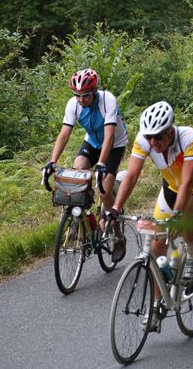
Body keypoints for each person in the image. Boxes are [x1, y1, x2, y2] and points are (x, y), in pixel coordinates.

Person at [109, 101, 193, 330]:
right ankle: (157, 305)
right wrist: (116, 208)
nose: (153, 143)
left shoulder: (189, 138)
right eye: (149, 137)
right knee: (157, 243)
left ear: (171, 130)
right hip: (171, 188)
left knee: (185, 211)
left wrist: (178, 214)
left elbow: (188, 181)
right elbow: (131, 176)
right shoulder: (144, 141)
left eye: (158, 137)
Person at [44, 68, 129, 261]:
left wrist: (100, 164)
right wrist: (52, 161)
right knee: (77, 172)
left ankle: (118, 237)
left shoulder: (108, 101)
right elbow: (64, 134)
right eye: (77, 95)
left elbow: (108, 137)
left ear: (95, 90)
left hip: (115, 144)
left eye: (86, 95)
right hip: (91, 141)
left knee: (105, 192)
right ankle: (78, 219)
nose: (81, 99)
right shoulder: (73, 105)